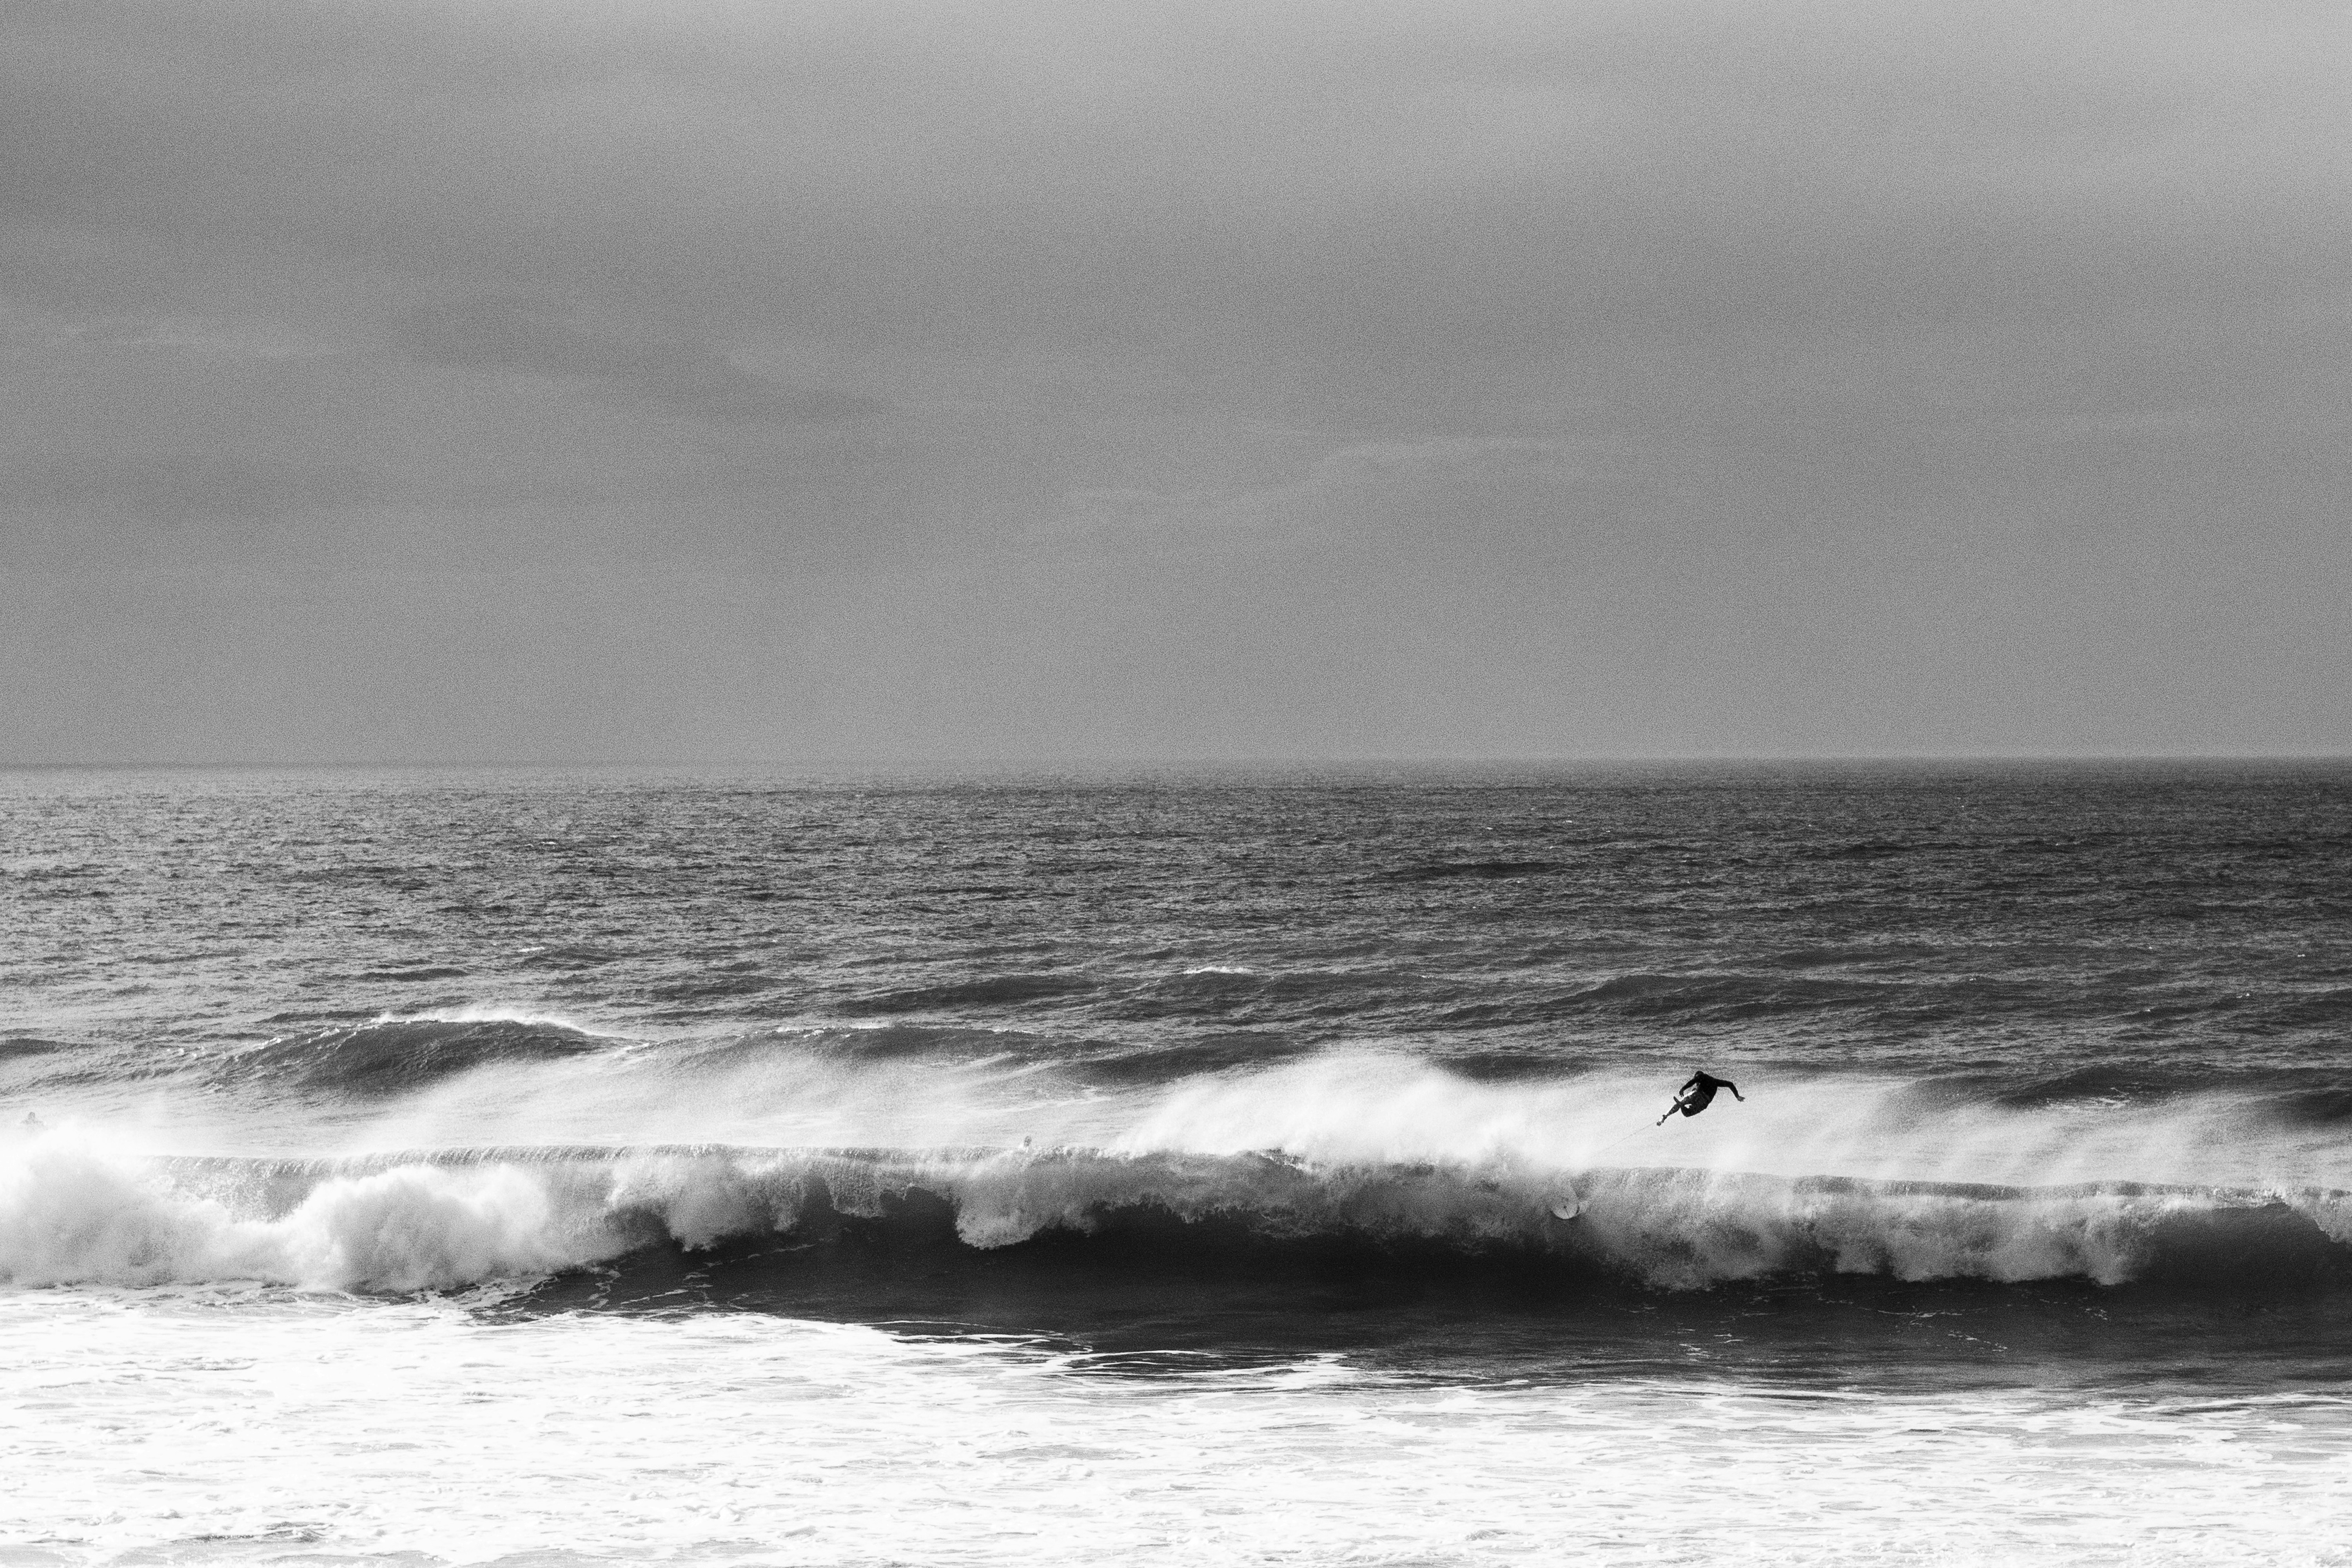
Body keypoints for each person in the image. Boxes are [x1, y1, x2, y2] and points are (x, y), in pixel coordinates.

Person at [1657, 1071, 1743, 1124]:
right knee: (1687, 1114)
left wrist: (1683, 1088)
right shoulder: (1716, 1082)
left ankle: (1666, 1115)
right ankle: (1682, 1106)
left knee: (1681, 1103)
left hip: (1697, 1094)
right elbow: (1730, 1084)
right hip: (1705, 1102)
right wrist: (1737, 1096)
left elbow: (1693, 1081)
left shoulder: (1702, 1076)